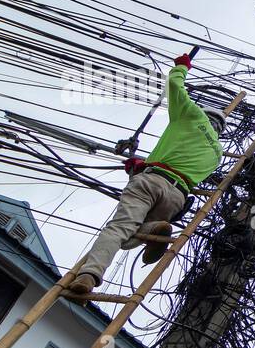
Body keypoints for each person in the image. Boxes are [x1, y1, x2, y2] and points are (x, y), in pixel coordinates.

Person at [67, 52, 226, 299]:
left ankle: (88, 274)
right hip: (177, 196)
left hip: (152, 182)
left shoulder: (192, 115)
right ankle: (156, 227)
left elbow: (174, 85)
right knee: (133, 237)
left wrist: (182, 68)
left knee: (119, 229)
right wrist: (142, 165)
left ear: (206, 115)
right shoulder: (218, 153)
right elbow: (181, 163)